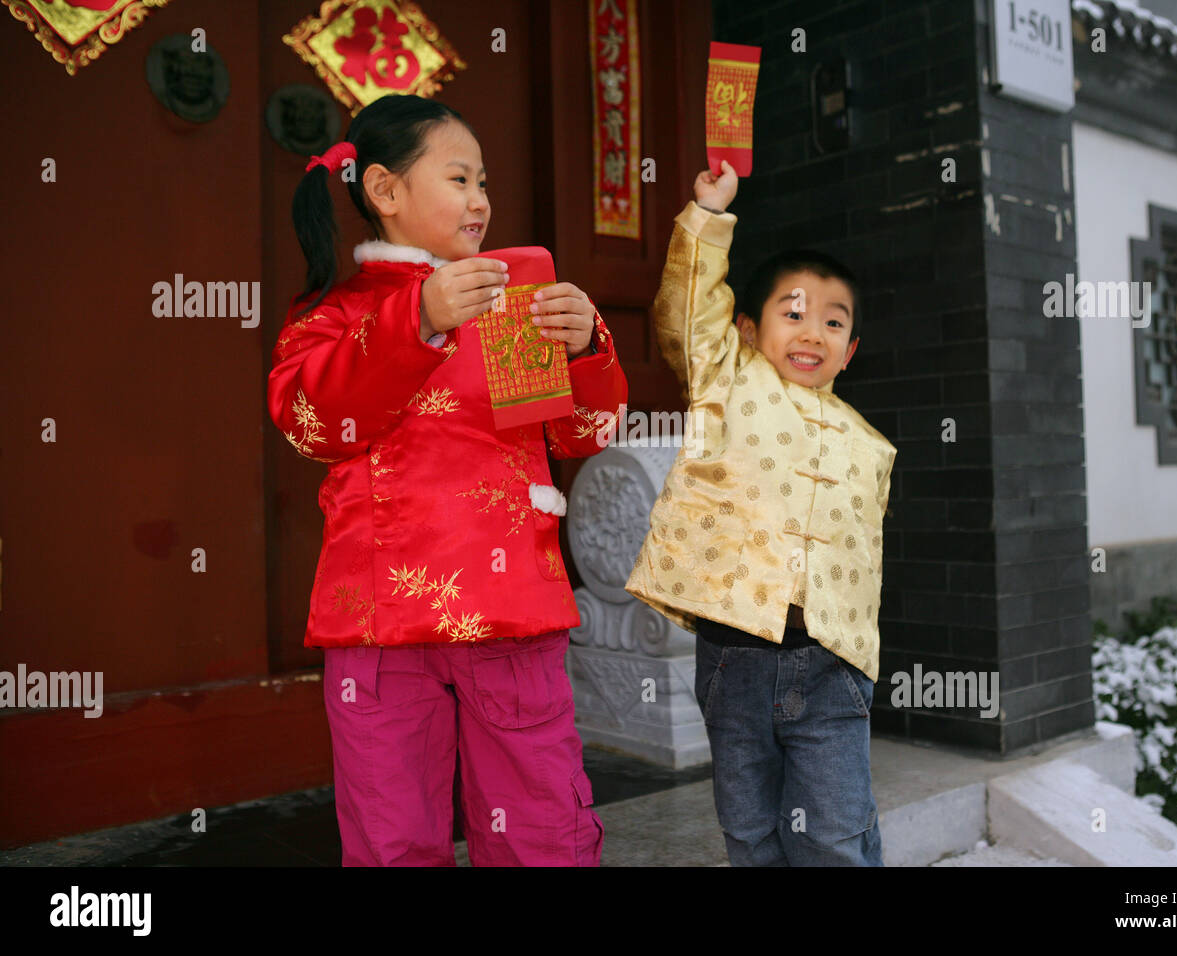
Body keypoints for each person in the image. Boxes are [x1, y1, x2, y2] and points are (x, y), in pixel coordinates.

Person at [267, 94, 627, 866]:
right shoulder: (333, 313)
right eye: (460, 178)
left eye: (485, 183)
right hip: (379, 623)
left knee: (541, 830)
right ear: (386, 193)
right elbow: (311, 424)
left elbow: (581, 436)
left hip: (511, 613)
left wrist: (585, 350)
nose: (481, 201)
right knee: (392, 836)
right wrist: (418, 320)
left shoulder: (512, 305)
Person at [624, 159, 897, 866]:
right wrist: (709, 215)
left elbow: (863, 563)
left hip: (831, 669)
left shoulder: (871, 447)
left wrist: (862, 658)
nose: (813, 332)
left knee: (835, 833)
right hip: (734, 663)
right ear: (747, 329)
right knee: (750, 833)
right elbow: (686, 310)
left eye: (833, 322)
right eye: (794, 312)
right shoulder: (727, 381)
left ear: (851, 350)